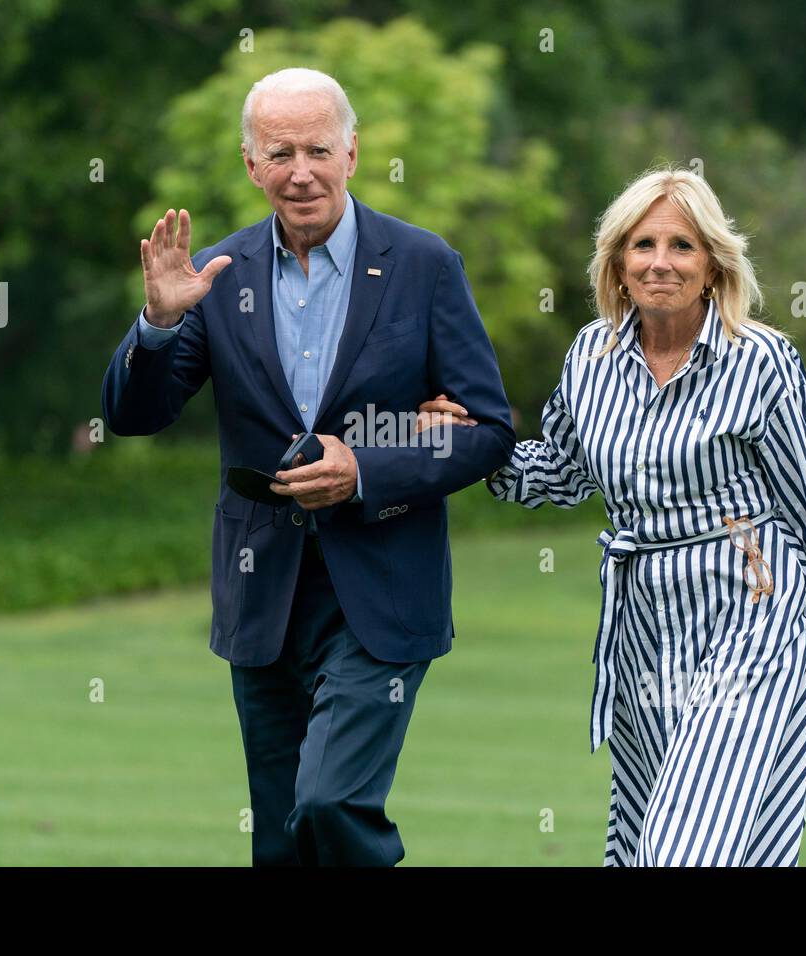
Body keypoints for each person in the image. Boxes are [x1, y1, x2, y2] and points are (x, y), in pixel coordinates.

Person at [101, 68, 514, 866]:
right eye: (279, 152)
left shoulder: (425, 265)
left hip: (383, 588)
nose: (301, 171)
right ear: (251, 165)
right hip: (263, 591)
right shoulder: (211, 279)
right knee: (282, 839)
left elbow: (488, 428)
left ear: (352, 153)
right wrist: (156, 323)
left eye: (318, 149)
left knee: (329, 803)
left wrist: (363, 465)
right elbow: (134, 415)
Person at [421, 166, 806, 866]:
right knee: (662, 844)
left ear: (713, 265)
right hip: (643, 626)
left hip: (755, 616)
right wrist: (471, 447)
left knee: (682, 847)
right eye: (642, 245)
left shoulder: (761, 361)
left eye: (682, 246)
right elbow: (561, 474)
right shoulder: (590, 356)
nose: (660, 262)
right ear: (617, 263)